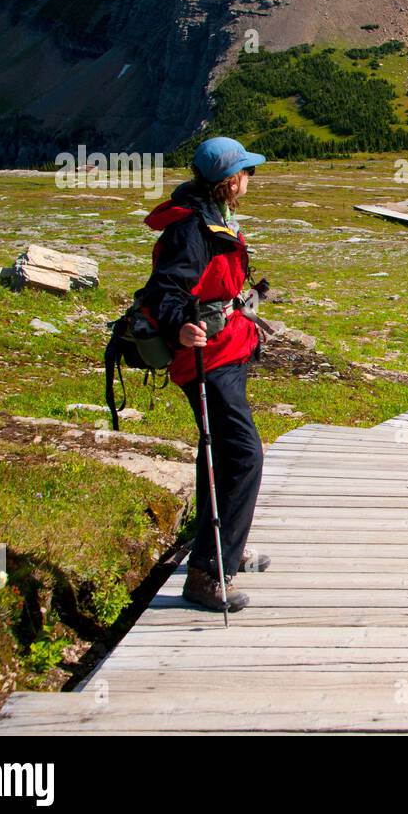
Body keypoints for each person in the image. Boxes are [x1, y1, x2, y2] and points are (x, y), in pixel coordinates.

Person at [141, 136, 270, 612]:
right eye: (247, 172)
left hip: (227, 350)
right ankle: (207, 577)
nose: (251, 179)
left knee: (217, 454)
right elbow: (165, 292)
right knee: (242, 456)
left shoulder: (213, 217)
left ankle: (222, 546)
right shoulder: (190, 230)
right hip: (205, 360)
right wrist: (180, 326)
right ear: (229, 179)